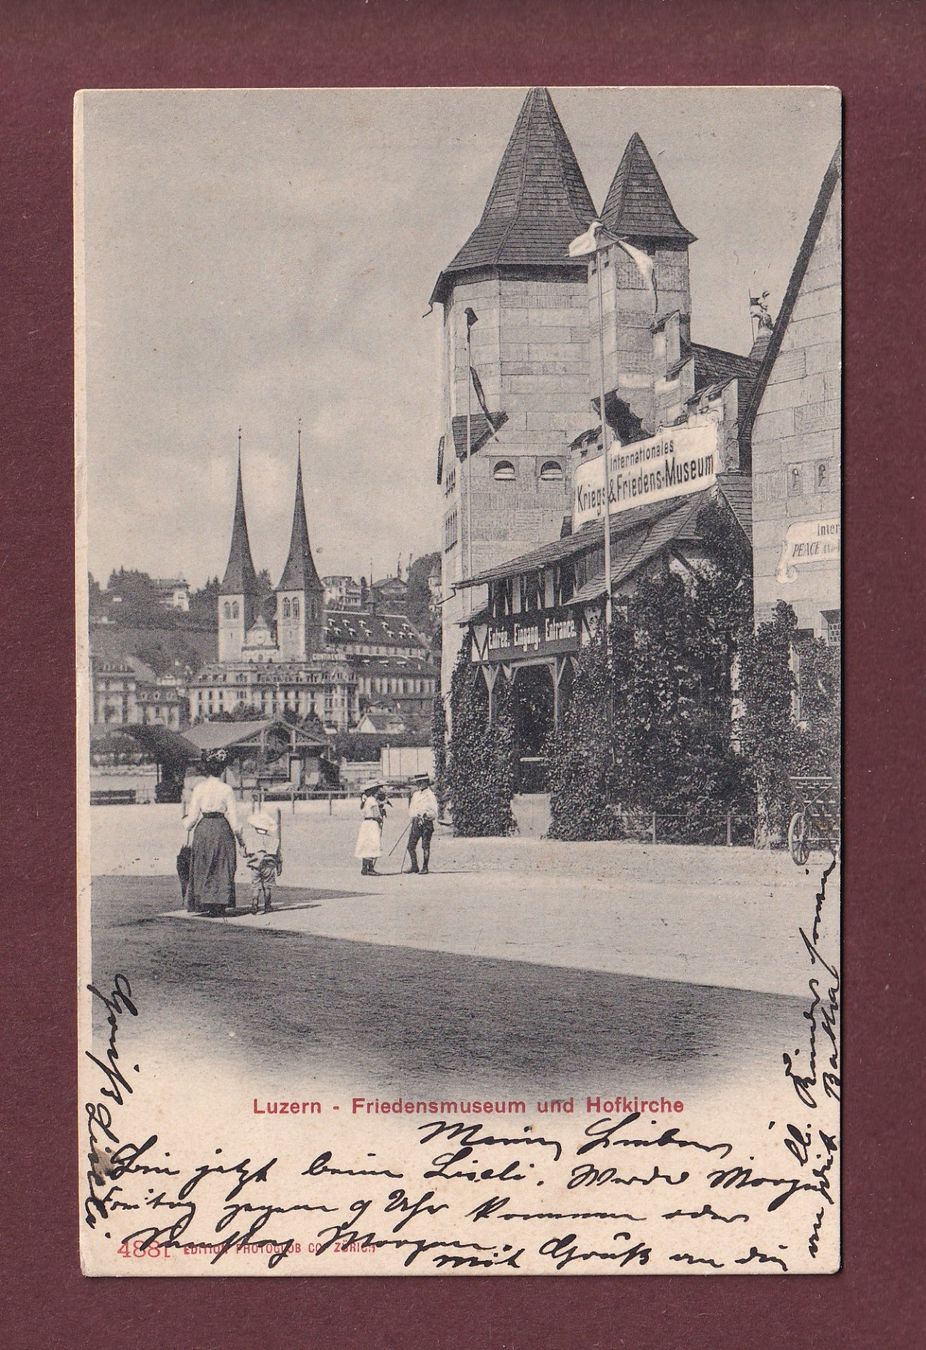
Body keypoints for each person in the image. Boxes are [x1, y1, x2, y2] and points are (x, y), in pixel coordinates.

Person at [181, 750, 242, 915]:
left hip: (204, 829)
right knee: (222, 865)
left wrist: (185, 822)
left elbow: (192, 819)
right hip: (222, 829)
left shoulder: (199, 788)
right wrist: (241, 841)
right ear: (222, 769)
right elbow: (235, 821)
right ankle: (220, 903)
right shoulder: (227, 789)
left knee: (203, 864)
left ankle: (204, 902)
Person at [241, 808, 281, 914]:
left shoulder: (251, 839)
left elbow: (245, 853)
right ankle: (267, 905)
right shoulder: (273, 840)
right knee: (267, 886)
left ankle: (255, 904)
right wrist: (279, 866)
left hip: (255, 866)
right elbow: (278, 855)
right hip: (269, 865)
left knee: (256, 886)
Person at [407, 773, 439, 875]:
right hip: (416, 822)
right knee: (410, 846)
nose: (419, 784)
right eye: (418, 782)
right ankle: (414, 866)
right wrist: (413, 817)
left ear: (426, 782)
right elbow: (412, 808)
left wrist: (426, 815)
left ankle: (425, 867)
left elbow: (435, 812)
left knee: (425, 845)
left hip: (426, 822)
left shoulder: (430, 795)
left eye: (421, 782)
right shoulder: (416, 795)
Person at [354, 782, 386, 876]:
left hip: (365, 824)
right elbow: (376, 814)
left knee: (365, 844)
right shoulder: (372, 800)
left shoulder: (365, 800)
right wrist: (381, 815)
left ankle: (364, 868)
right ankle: (370, 868)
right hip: (372, 824)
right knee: (372, 844)